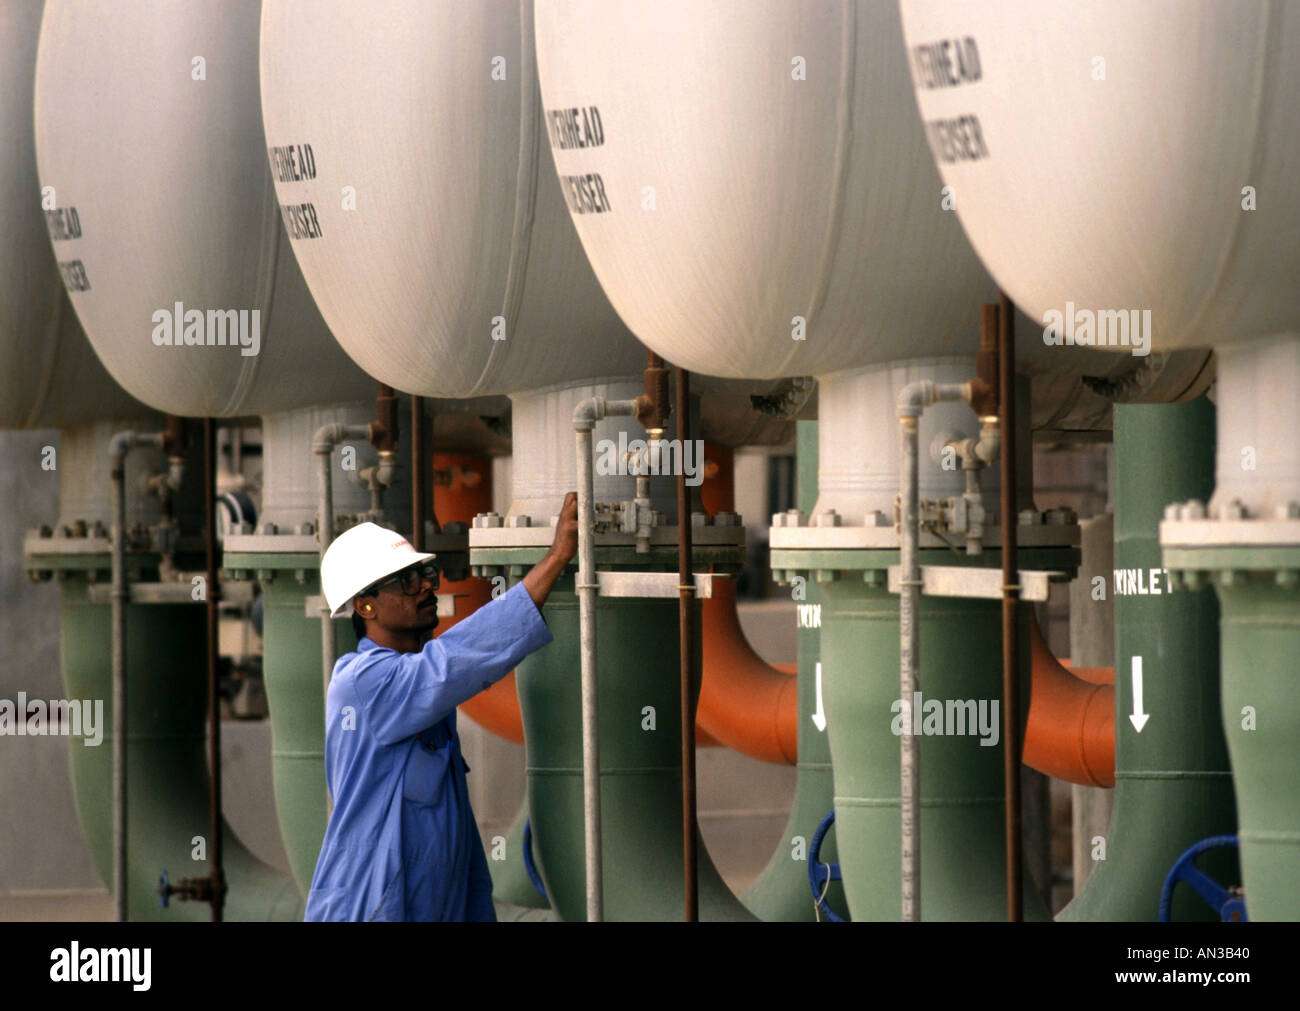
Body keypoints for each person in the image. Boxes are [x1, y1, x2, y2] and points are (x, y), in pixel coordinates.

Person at [304, 491, 579, 921]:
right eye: (407, 581)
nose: (427, 586)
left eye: (425, 573)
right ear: (365, 604)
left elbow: (454, 834)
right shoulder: (361, 682)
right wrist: (555, 560)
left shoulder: (419, 689)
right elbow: (450, 663)